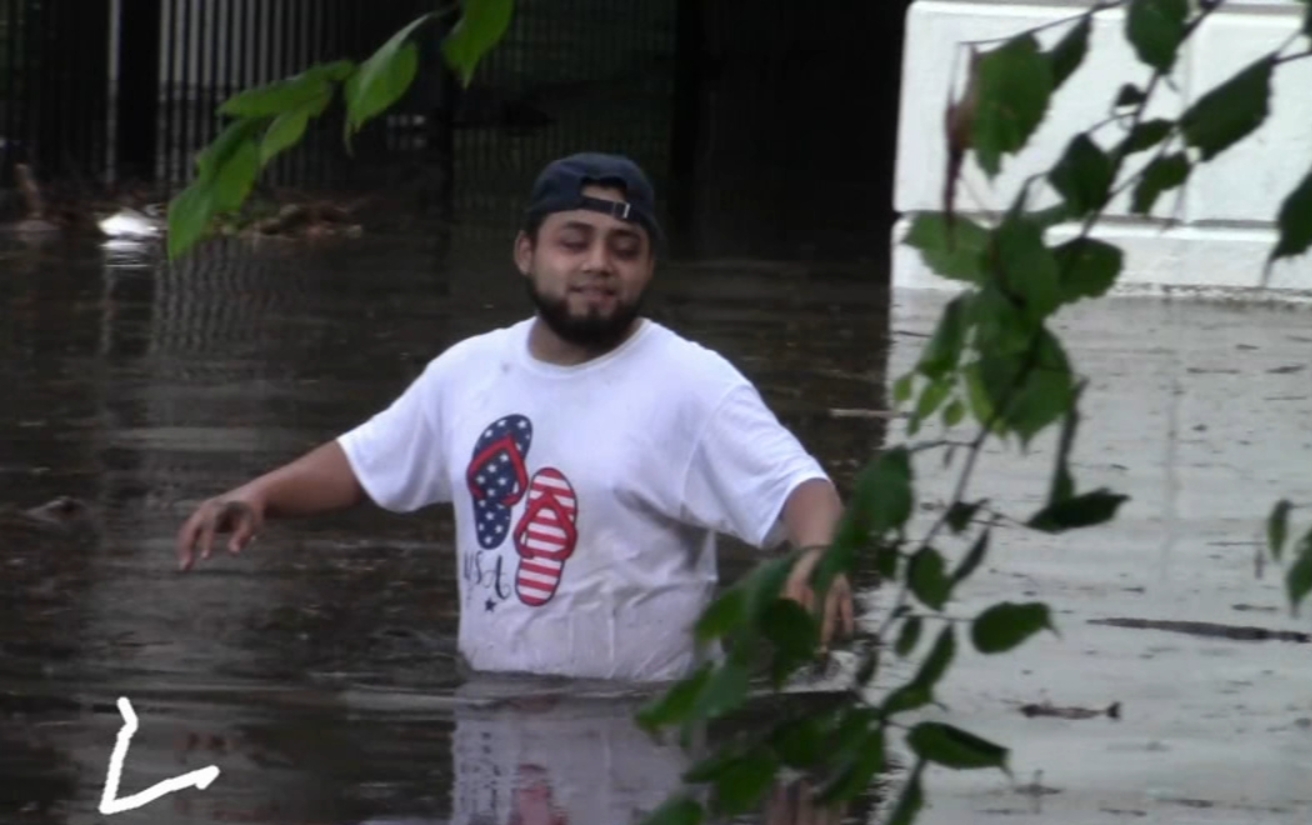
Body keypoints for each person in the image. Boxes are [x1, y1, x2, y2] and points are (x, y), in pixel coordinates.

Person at [173, 152, 854, 682]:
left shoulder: (691, 384)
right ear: (527, 252)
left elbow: (801, 487)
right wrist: (258, 494)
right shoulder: (469, 372)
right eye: (574, 241)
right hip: (494, 711)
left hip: (640, 726)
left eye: (624, 247)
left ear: (648, 268)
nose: (597, 264)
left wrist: (818, 554)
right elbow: (362, 463)